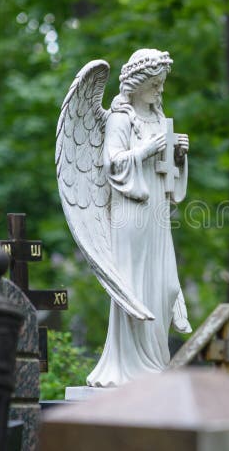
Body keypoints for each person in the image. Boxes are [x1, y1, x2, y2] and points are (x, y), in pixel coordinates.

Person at [86, 48, 190, 386]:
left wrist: (178, 155)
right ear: (137, 84)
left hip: (157, 209)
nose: (160, 91)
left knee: (166, 285)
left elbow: (169, 176)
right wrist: (148, 149)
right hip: (130, 209)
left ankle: (157, 362)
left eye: (162, 85)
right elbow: (112, 163)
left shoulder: (160, 119)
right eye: (154, 85)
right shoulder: (120, 118)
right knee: (133, 287)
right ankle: (131, 365)